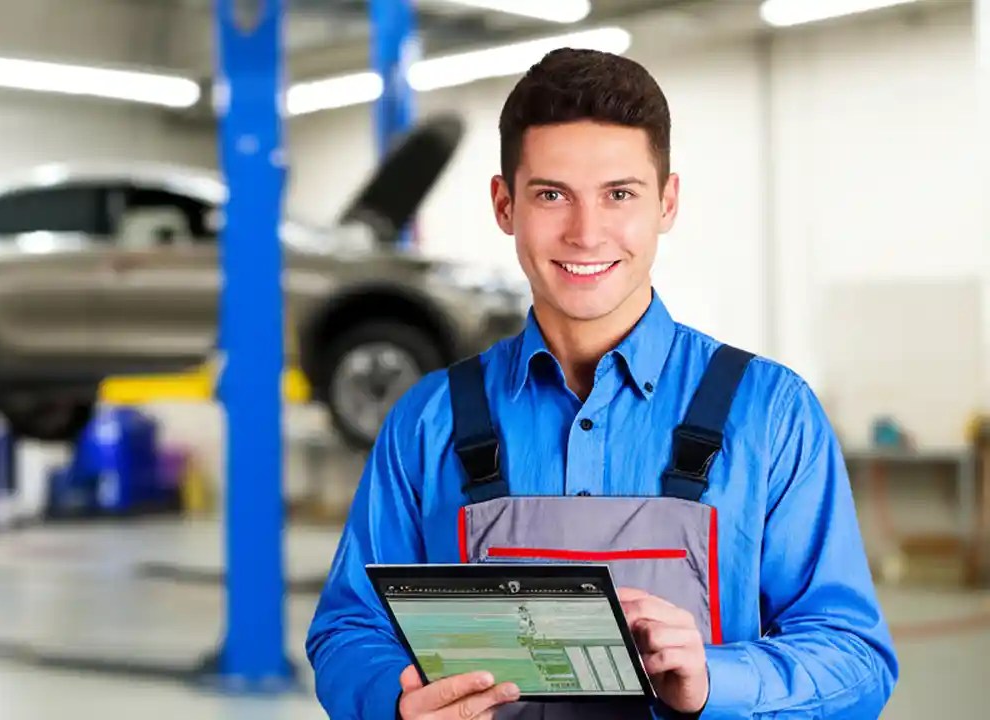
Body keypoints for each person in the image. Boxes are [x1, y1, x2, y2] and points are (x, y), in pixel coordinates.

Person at [305, 47, 898, 720]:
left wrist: (715, 679)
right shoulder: (427, 421)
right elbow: (348, 632)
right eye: (552, 195)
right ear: (506, 205)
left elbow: (855, 657)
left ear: (666, 202)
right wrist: (399, 702)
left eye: (619, 194)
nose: (586, 233)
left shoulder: (770, 414)